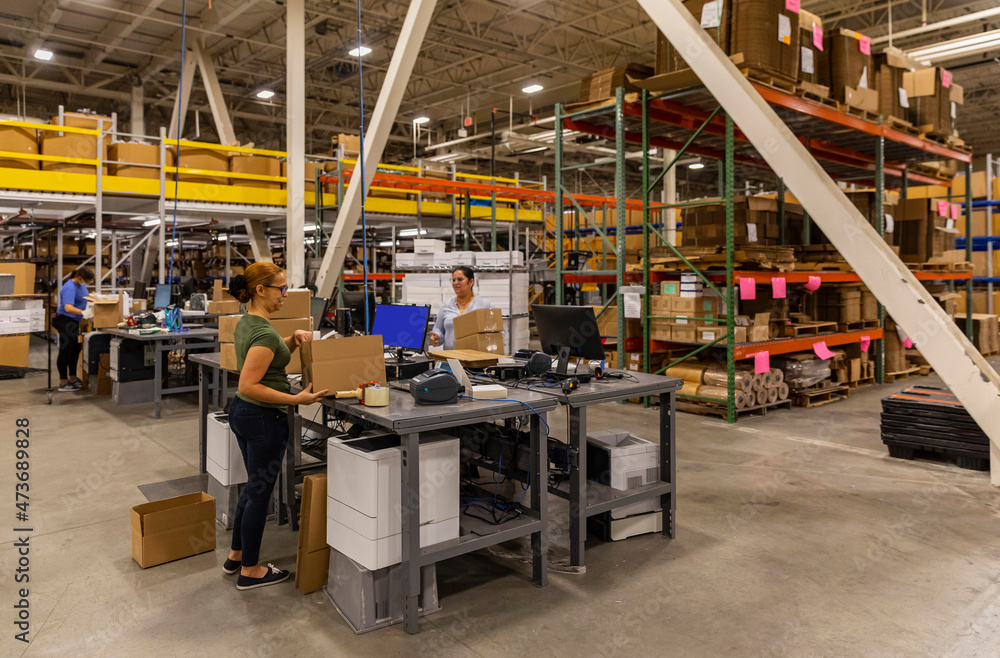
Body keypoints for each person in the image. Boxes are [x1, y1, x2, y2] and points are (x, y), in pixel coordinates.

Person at [223, 263, 328, 590]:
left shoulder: (249, 322)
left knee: (252, 487)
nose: (285, 294)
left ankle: (236, 556)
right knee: (259, 493)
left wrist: (293, 341)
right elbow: (248, 385)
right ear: (260, 290)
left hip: (245, 415)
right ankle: (251, 571)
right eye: (280, 288)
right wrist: (298, 400)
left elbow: (267, 351)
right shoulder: (264, 331)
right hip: (262, 416)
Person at [429, 265, 492, 351]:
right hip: (451, 358)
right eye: (453, 280)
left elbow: (496, 333)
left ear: (471, 282)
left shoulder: (484, 305)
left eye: (460, 279)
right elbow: (438, 329)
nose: (456, 282)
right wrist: (437, 337)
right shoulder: (446, 305)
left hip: (475, 359)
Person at [53, 267, 94, 392]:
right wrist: (84, 312)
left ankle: (72, 378)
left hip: (74, 321)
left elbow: (84, 299)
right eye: (87, 281)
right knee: (66, 350)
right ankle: (63, 381)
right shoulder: (70, 287)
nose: (87, 284)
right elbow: (68, 308)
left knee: (76, 349)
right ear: (80, 278)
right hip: (65, 321)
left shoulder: (81, 286)